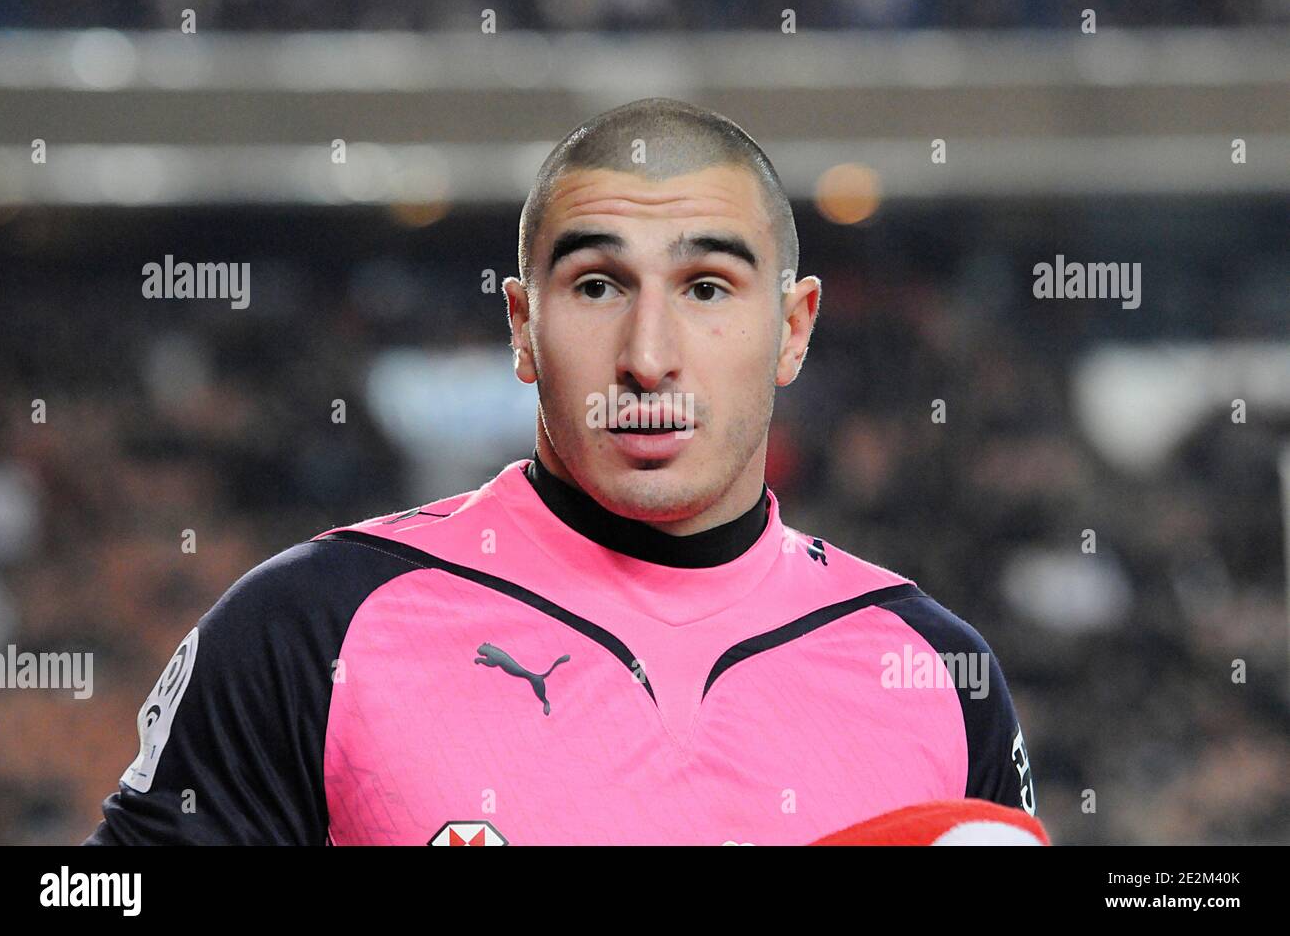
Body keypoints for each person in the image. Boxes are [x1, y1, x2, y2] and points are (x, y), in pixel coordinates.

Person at [85, 97, 1034, 845]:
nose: (648, 354)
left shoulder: (940, 676)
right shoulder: (308, 629)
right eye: (595, 286)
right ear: (521, 328)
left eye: (707, 287)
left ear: (792, 329)